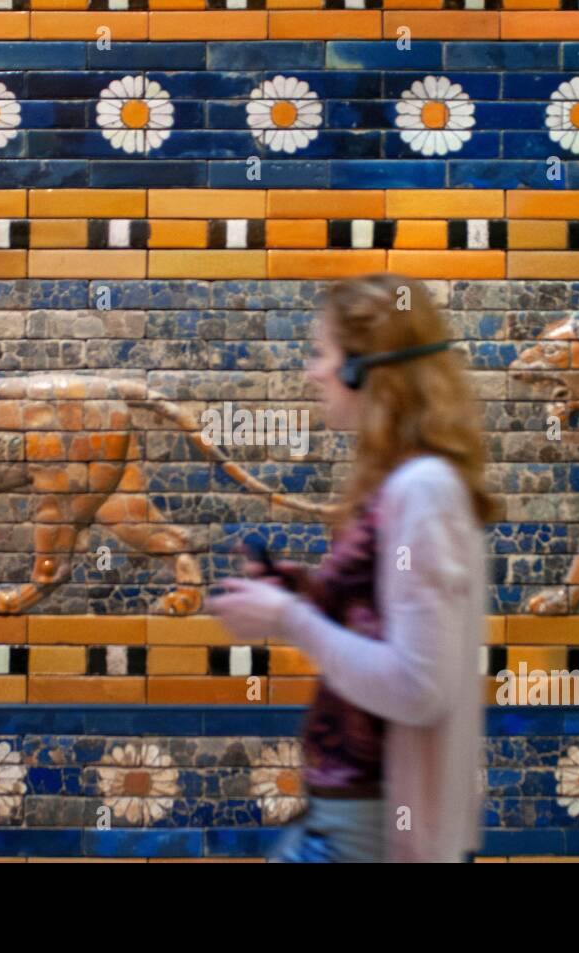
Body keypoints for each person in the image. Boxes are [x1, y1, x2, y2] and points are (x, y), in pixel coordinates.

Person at [210, 272, 498, 863]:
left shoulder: (422, 489)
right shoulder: (411, 482)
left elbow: (418, 689)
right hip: (346, 821)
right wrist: (308, 594)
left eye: (323, 353)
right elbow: (384, 625)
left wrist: (290, 618)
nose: (312, 372)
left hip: (370, 832)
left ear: (362, 369)